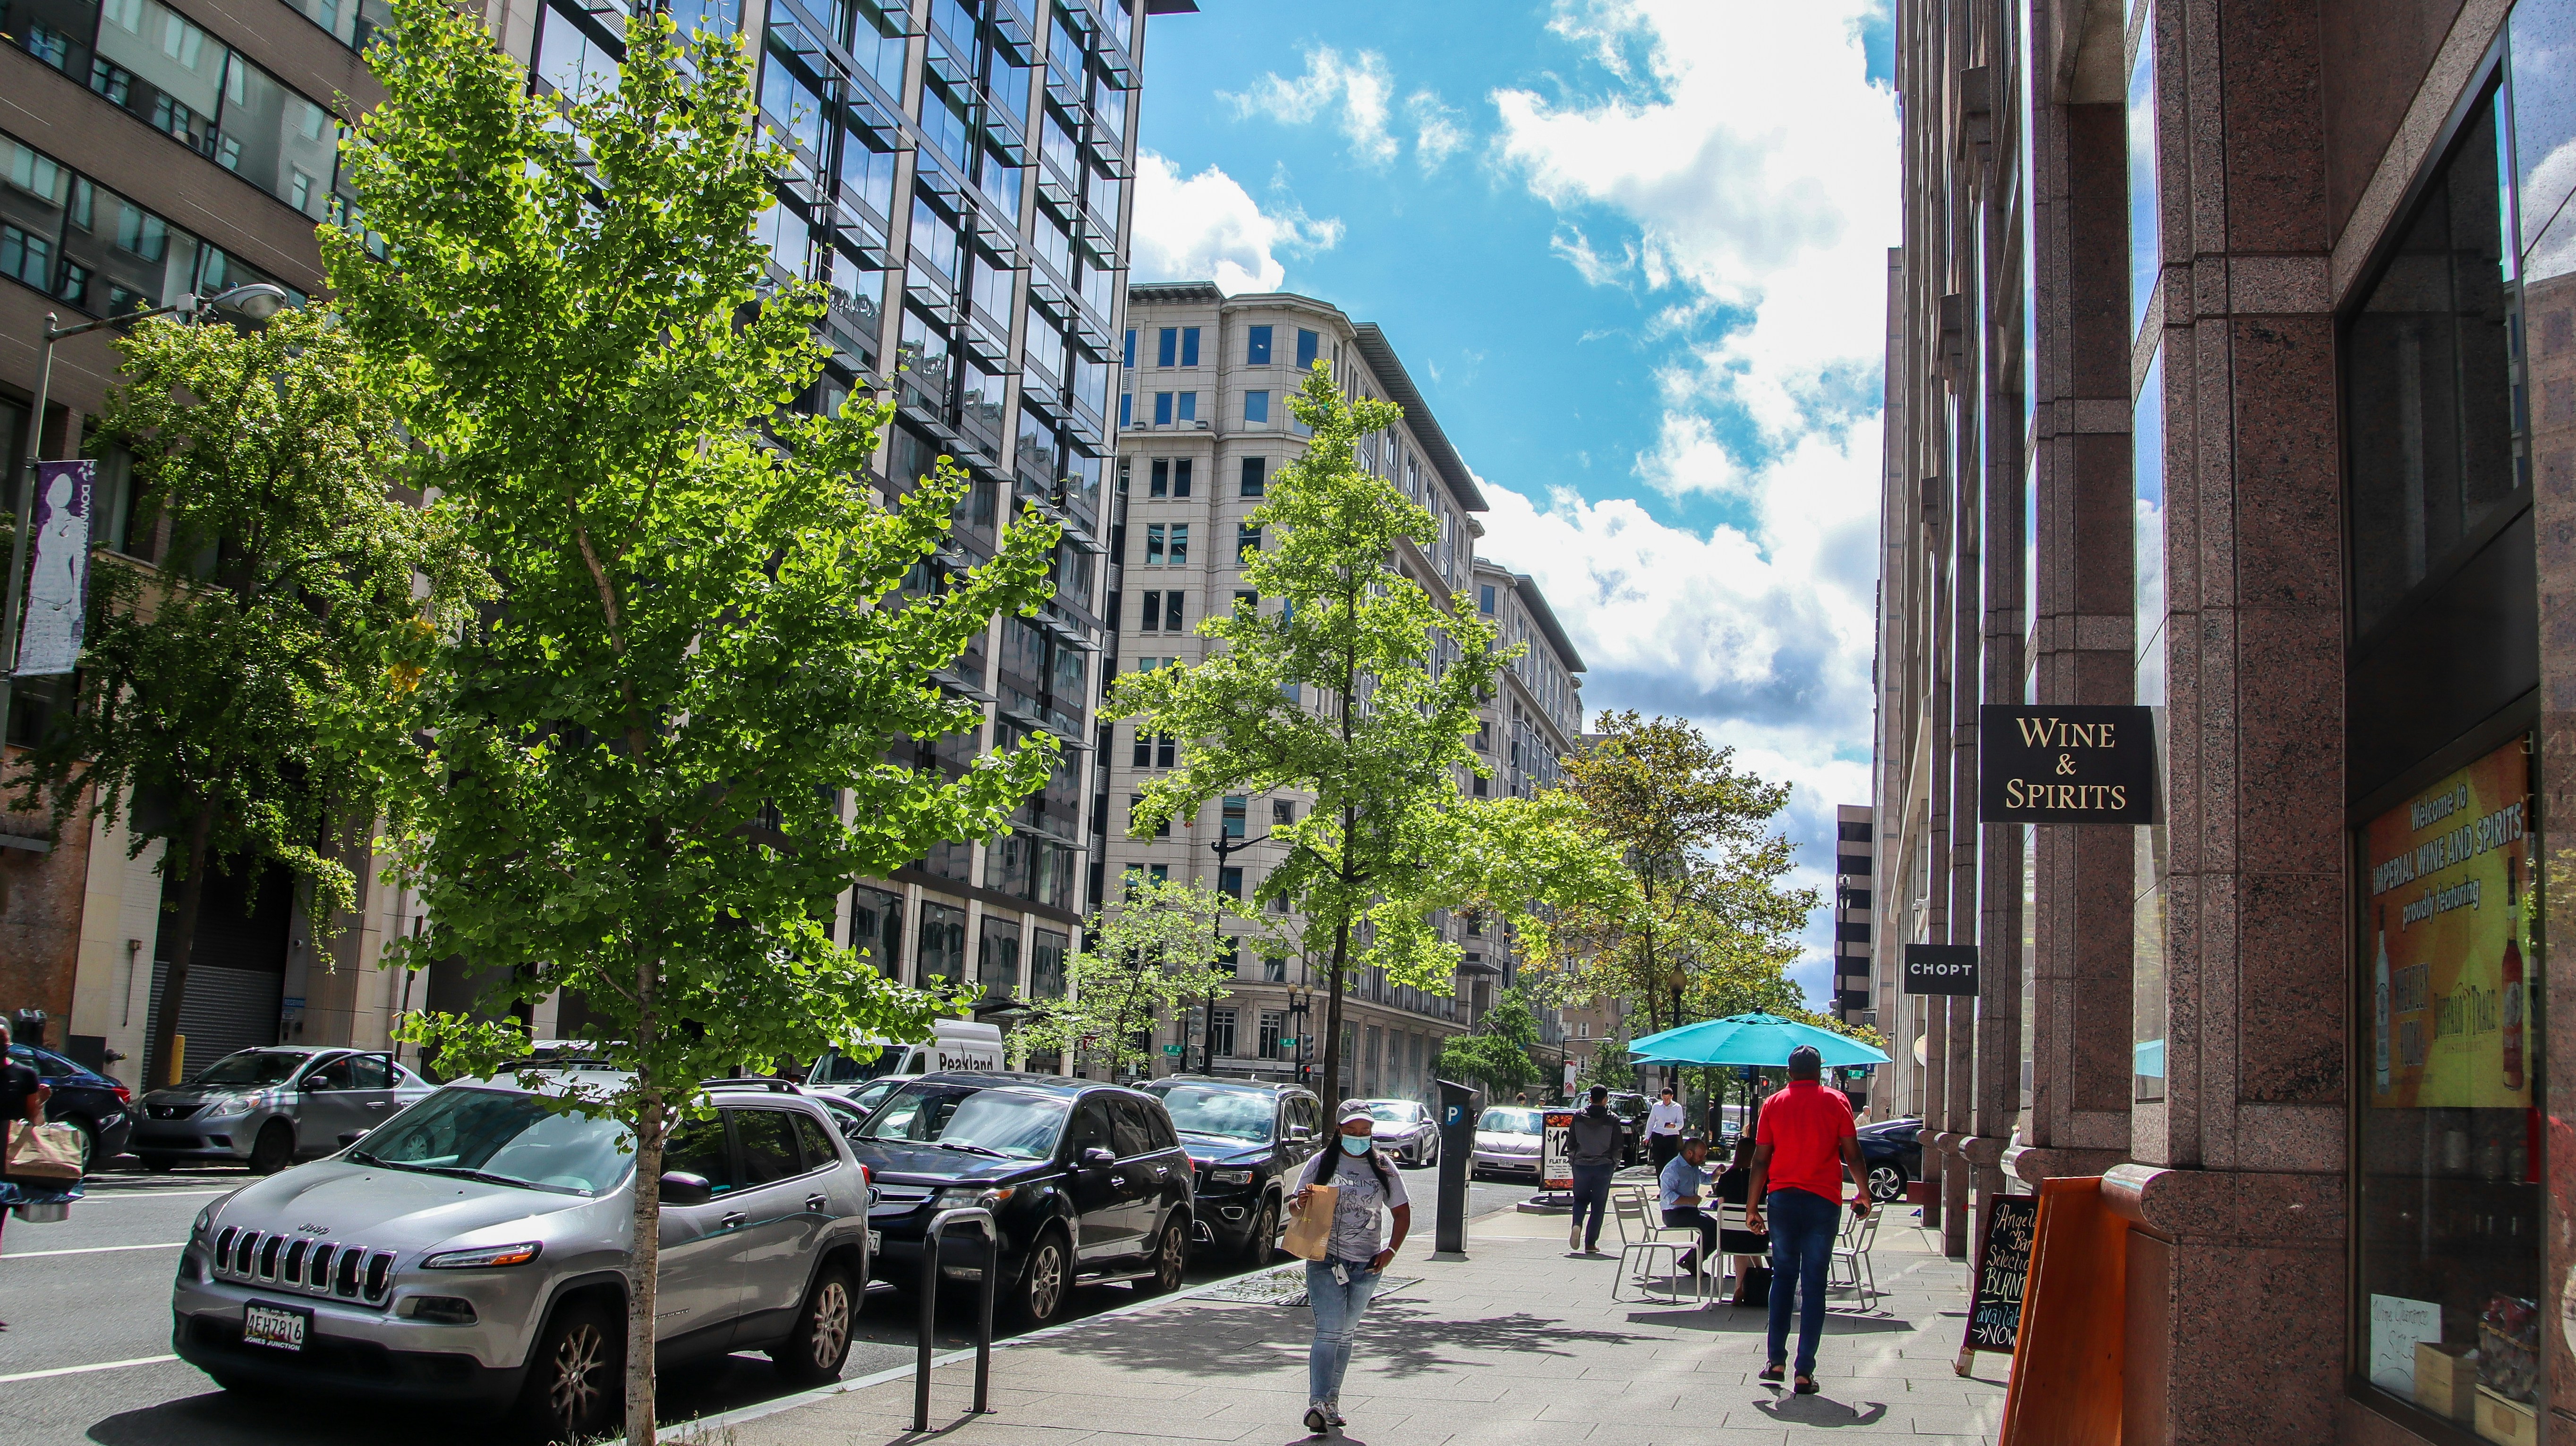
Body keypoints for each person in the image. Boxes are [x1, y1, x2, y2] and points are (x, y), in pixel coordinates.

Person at [1746, 1045, 1870, 1395]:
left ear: (1789, 1073)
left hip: (1783, 1199)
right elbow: (1853, 1152)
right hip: (1823, 1200)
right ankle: (1804, 1371)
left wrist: (1752, 1207)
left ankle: (1775, 1362)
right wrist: (1864, 1193)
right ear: (1820, 1072)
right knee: (1814, 1282)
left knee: (1783, 1276)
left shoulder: (1773, 1104)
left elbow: (1760, 1159)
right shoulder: (1836, 1101)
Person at [1289, 1099, 1412, 1436]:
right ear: (1339, 1130)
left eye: (1365, 1131)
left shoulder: (1383, 1166)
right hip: (1325, 1259)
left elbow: (1402, 1212)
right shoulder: (1321, 1163)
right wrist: (1298, 1203)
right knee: (1329, 1331)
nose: (1358, 1136)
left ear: (1371, 1132)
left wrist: (1390, 1251)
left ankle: (1331, 1402)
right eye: (1351, 1130)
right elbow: (1295, 1205)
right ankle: (1317, 1401)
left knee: (1346, 1334)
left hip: (1367, 1265)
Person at [0, 1017, 54, 1332]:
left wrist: (42, 1102)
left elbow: (36, 1121)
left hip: (6, 1167)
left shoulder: (24, 1076)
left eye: (4, 1041)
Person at [1564, 1084, 1622, 1255]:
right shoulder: (1612, 1119)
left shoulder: (1579, 1116)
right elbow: (1618, 1145)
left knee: (1580, 1199)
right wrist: (1614, 1163)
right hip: (1603, 1166)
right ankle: (1590, 1243)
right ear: (1606, 1100)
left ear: (1590, 1099)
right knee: (1598, 1205)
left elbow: (1571, 1141)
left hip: (1581, 1164)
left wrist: (1573, 1159)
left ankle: (1577, 1224)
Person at [1714, 1134, 1771, 1304]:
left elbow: (1721, 1208)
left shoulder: (1725, 1178)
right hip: (1757, 1238)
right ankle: (1757, 1274)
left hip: (1729, 1239)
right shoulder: (1763, 1178)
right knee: (1750, 1234)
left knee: (1740, 1237)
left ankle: (1739, 1287)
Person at [1656, 1133, 1717, 1276]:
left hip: (1690, 1211)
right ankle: (1693, 1260)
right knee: (1710, 1228)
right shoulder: (1673, 1169)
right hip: (1674, 1214)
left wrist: (1717, 1174)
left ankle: (1693, 1259)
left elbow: (1707, 1179)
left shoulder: (1693, 1166)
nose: (1702, 1160)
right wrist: (1690, 1200)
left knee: (1717, 1229)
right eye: (1700, 1156)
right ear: (1690, 1153)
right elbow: (1667, 1197)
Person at [1644, 1087, 1685, 1170]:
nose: (1666, 1100)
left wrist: (1674, 1126)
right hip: (1658, 1137)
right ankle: (1660, 1182)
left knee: (1670, 1164)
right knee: (1658, 1163)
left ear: (1672, 1097)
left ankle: (1668, 1182)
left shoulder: (1677, 1107)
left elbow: (1681, 1124)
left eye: (1668, 1098)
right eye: (1664, 1098)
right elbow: (1651, 1122)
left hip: (1671, 1138)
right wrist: (1647, 1137)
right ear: (1662, 1096)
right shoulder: (1656, 1107)